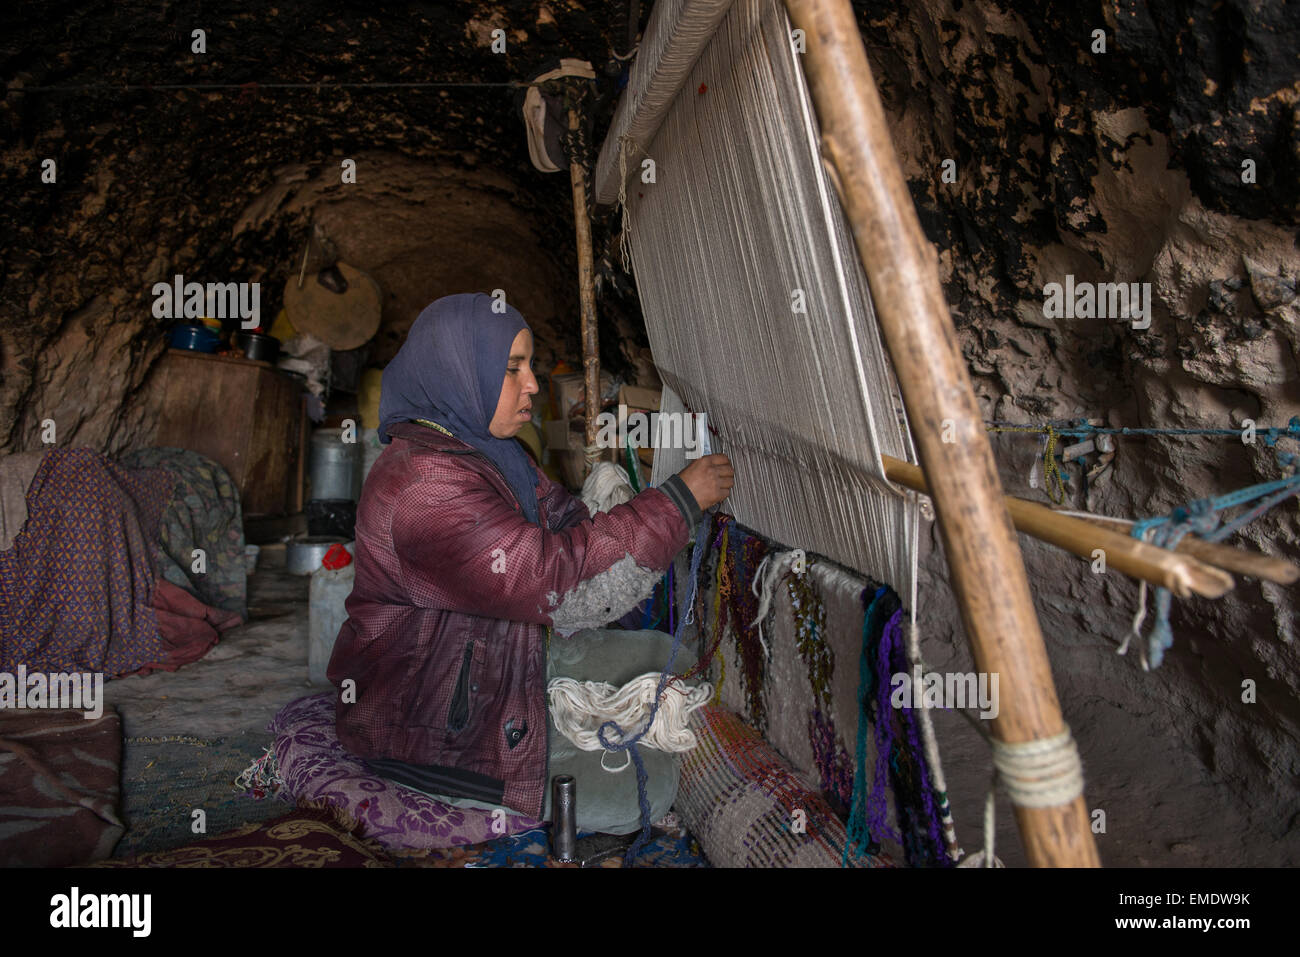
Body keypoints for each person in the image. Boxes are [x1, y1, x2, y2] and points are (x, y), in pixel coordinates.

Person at [328, 293, 733, 832]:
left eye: (531, 365)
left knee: (664, 654)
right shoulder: (425, 486)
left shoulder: (491, 453)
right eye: (512, 368)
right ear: (459, 373)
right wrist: (677, 504)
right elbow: (553, 579)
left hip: (488, 658)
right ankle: (465, 779)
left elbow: (565, 521)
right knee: (643, 795)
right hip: (428, 721)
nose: (534, 384)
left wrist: (631, 507)